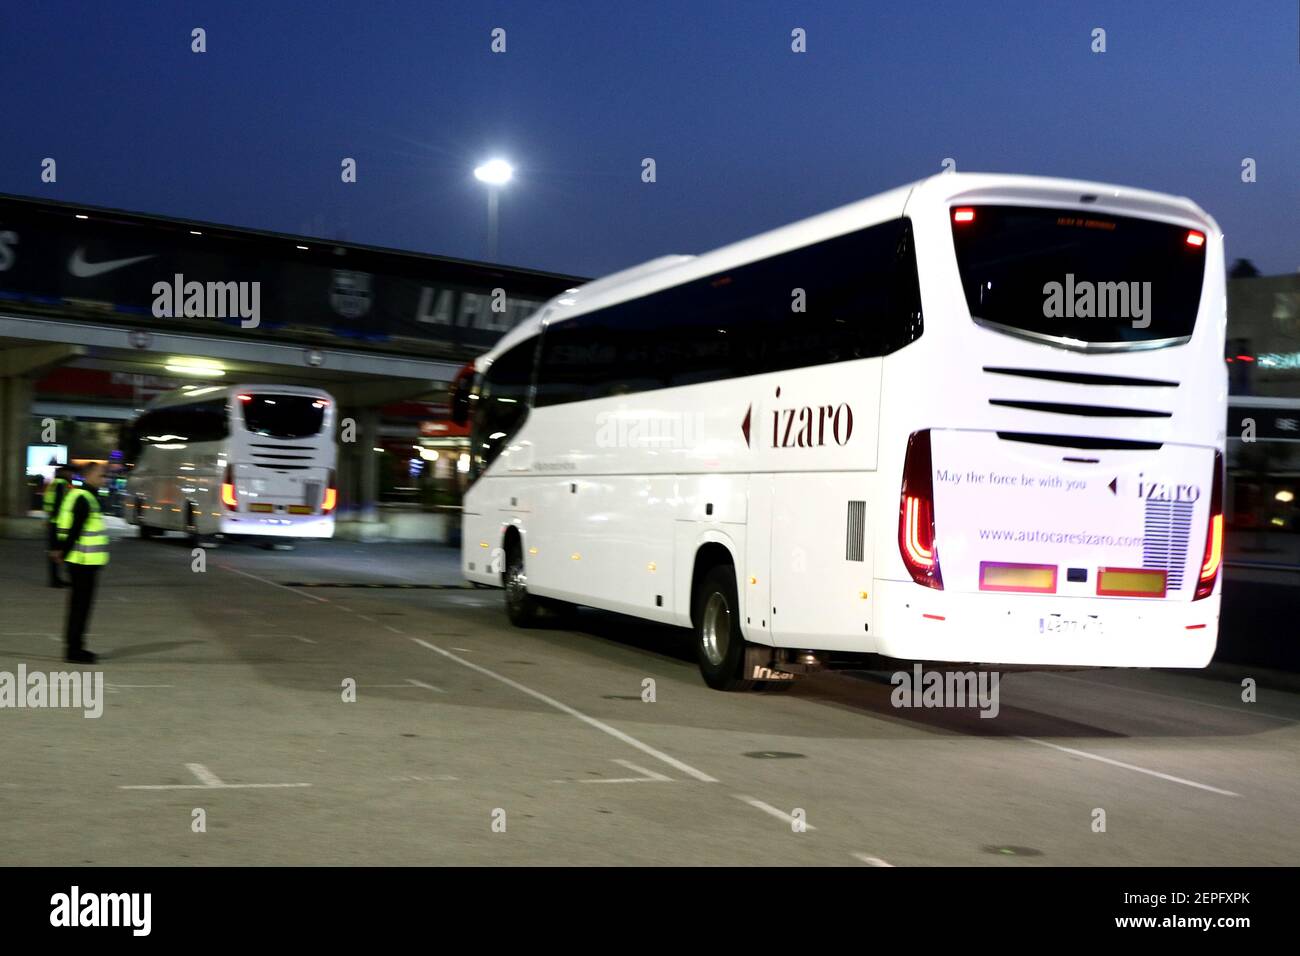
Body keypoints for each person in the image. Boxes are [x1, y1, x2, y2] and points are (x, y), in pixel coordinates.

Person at [49, 462, 110, 664]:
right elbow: (74, 529)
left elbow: (65, 525)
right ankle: (75, 651)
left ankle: (75, 648)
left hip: (82, 561)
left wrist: (60, 550)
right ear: (89, 475)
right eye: (101, 475)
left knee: (78, 606)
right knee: (80, 607)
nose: (104, 479)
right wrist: (61, 552)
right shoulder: (84, 497)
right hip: (82, 562)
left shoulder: (81, 495)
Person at [42, 465, 74, 587]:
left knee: (54, 551)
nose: (71, 475)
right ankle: (56, 580)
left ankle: (55, 579)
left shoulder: (54, 483)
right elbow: (59, 504)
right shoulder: (62, 484)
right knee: (61, 551)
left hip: (53, 521)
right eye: (70, 473)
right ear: (64, 473)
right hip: (59, 523)